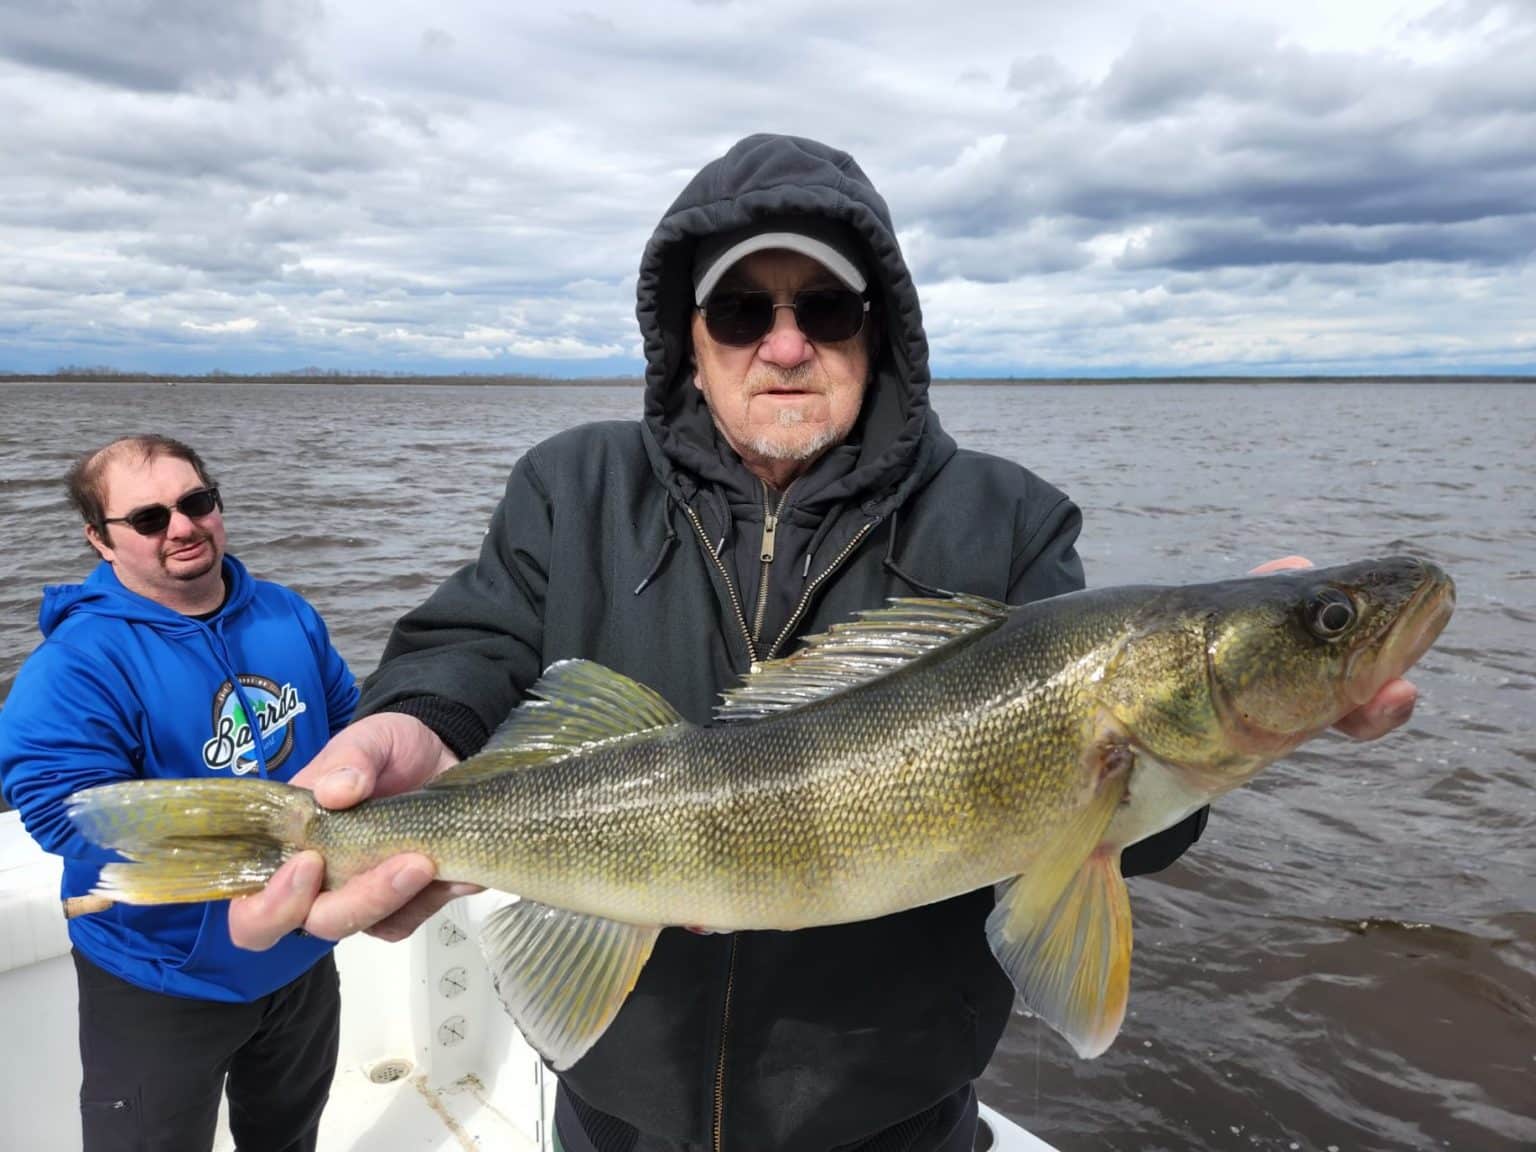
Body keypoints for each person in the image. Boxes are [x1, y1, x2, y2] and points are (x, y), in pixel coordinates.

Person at [227, 134, 1422, 1151]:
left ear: (879, 331)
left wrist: (1248, 735)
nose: (785, 345)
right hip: (618, 1102)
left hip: (884, 1108)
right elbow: (479, 637)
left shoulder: (1008, 518)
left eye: (827, 310)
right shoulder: (572, 485)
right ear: (690, 338)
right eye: (744, 311)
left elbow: (1121, 841)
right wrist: (419, 720)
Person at [0, 435, 360, 1152]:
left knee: (290, 1136)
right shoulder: (77, 663)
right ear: (100, 539)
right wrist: (249, 848)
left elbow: (350, 722)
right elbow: (59, 810)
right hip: (160, 976)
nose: (182, 527)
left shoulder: (287, 613)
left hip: (301, 957)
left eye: (196, 502)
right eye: (149, 518)